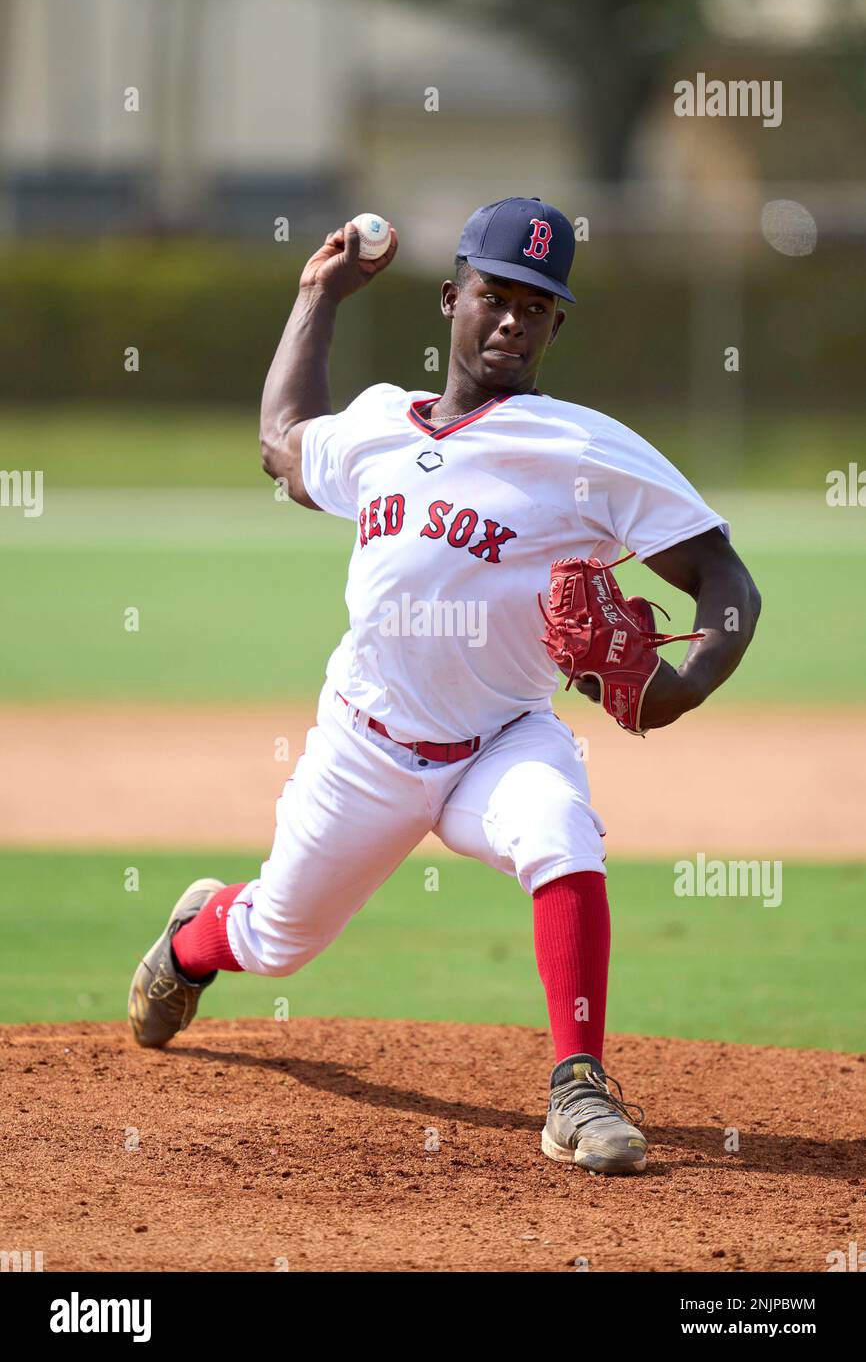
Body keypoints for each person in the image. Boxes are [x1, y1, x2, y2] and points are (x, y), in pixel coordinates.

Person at [128, 196, 760, 1175]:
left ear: (558, 324)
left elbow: (725, 579)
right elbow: (280, 440)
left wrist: (679, 685)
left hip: (502, 738)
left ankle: (577, 1088)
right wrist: (316, 296)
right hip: (364, 747)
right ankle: (187, 946)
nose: (510, 318)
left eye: (534, 305)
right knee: (276, 936)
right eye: (492, 295)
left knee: (560, 831)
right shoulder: (379, 424)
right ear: (450, 298)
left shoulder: (582, 449)